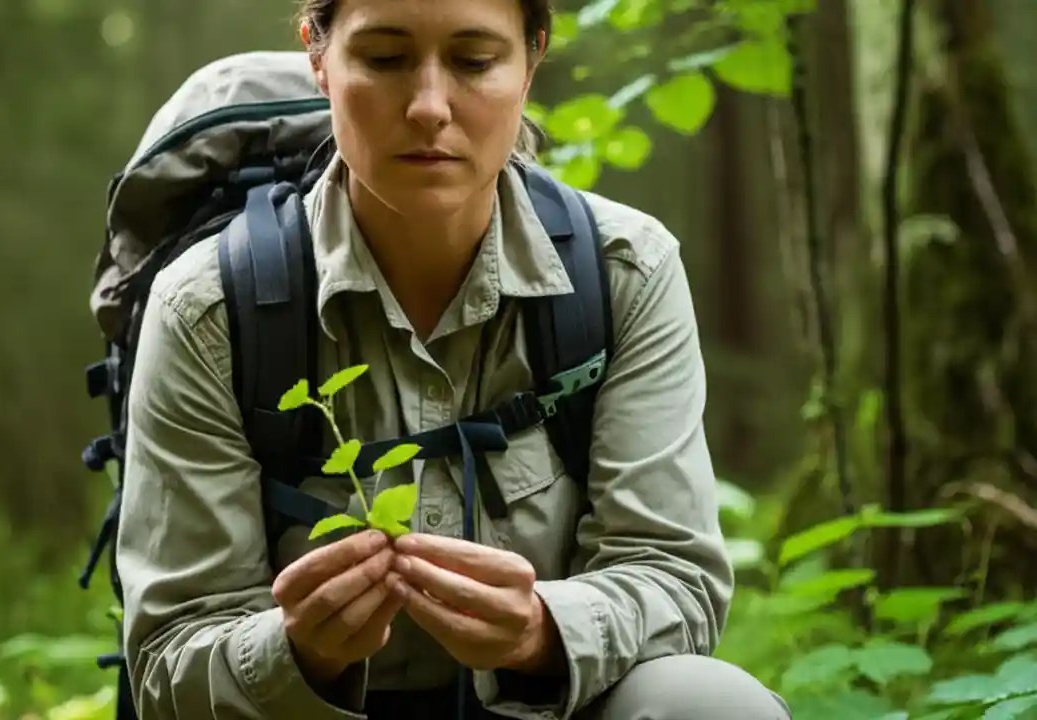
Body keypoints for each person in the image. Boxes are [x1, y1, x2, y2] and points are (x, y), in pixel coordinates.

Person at [113, 0, 792, 718]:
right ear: (318, 55)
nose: (429, 107)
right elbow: (167, 658)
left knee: (712, 705)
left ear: (532, 60)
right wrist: (296, 651)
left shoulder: (624, 272)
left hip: (547, 709)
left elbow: (674, 579)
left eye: (474, 61)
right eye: (384, 59)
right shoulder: (208, 309)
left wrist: (540, 632)